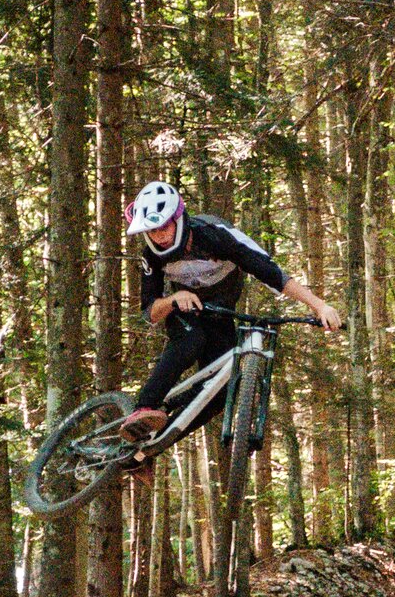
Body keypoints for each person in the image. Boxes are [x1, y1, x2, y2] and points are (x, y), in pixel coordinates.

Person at [121, 181, 341, 450]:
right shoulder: (152, 255)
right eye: (152, 230)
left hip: (220, 314)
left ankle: (152, 447)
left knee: (219, 395)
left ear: (178, 219)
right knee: (191, 340)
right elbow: (151, 313)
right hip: (186, 314)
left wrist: (319, 306)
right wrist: (173, 300)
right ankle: (144, 407)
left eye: (164, 227)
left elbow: (272, 274)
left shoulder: (216, 236)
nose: (160, 236)